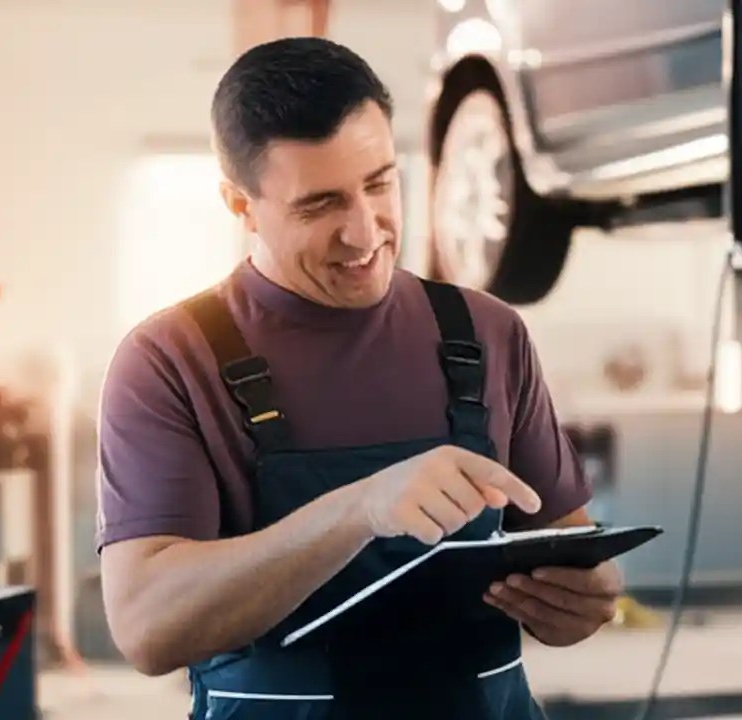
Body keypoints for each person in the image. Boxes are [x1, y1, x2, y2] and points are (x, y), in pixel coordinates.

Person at [96, 37, 623, 719]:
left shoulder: (488, 334)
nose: (363, 233)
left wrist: (583, 602)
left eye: (379, 183)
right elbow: (146, 627)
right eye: (319, 206)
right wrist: (362, 509)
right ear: (240, 206)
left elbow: (573, 566)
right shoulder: (168, 360)